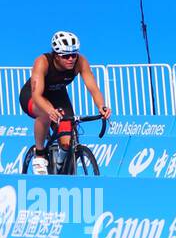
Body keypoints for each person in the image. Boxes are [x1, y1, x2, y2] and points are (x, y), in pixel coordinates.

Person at [19, 32, 110, 171]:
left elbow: (93, 88)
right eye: (66, 56)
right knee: (44, 115)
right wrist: (50, 111)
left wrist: (101, 106)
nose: (71, 59)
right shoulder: (42, 62)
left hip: (57, 94)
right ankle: (39, 154)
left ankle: (60, 166)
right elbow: (37, 95)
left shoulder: (80, 62)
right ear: (56, 55)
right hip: (33, 95)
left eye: (74, 55)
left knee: (67, 139)